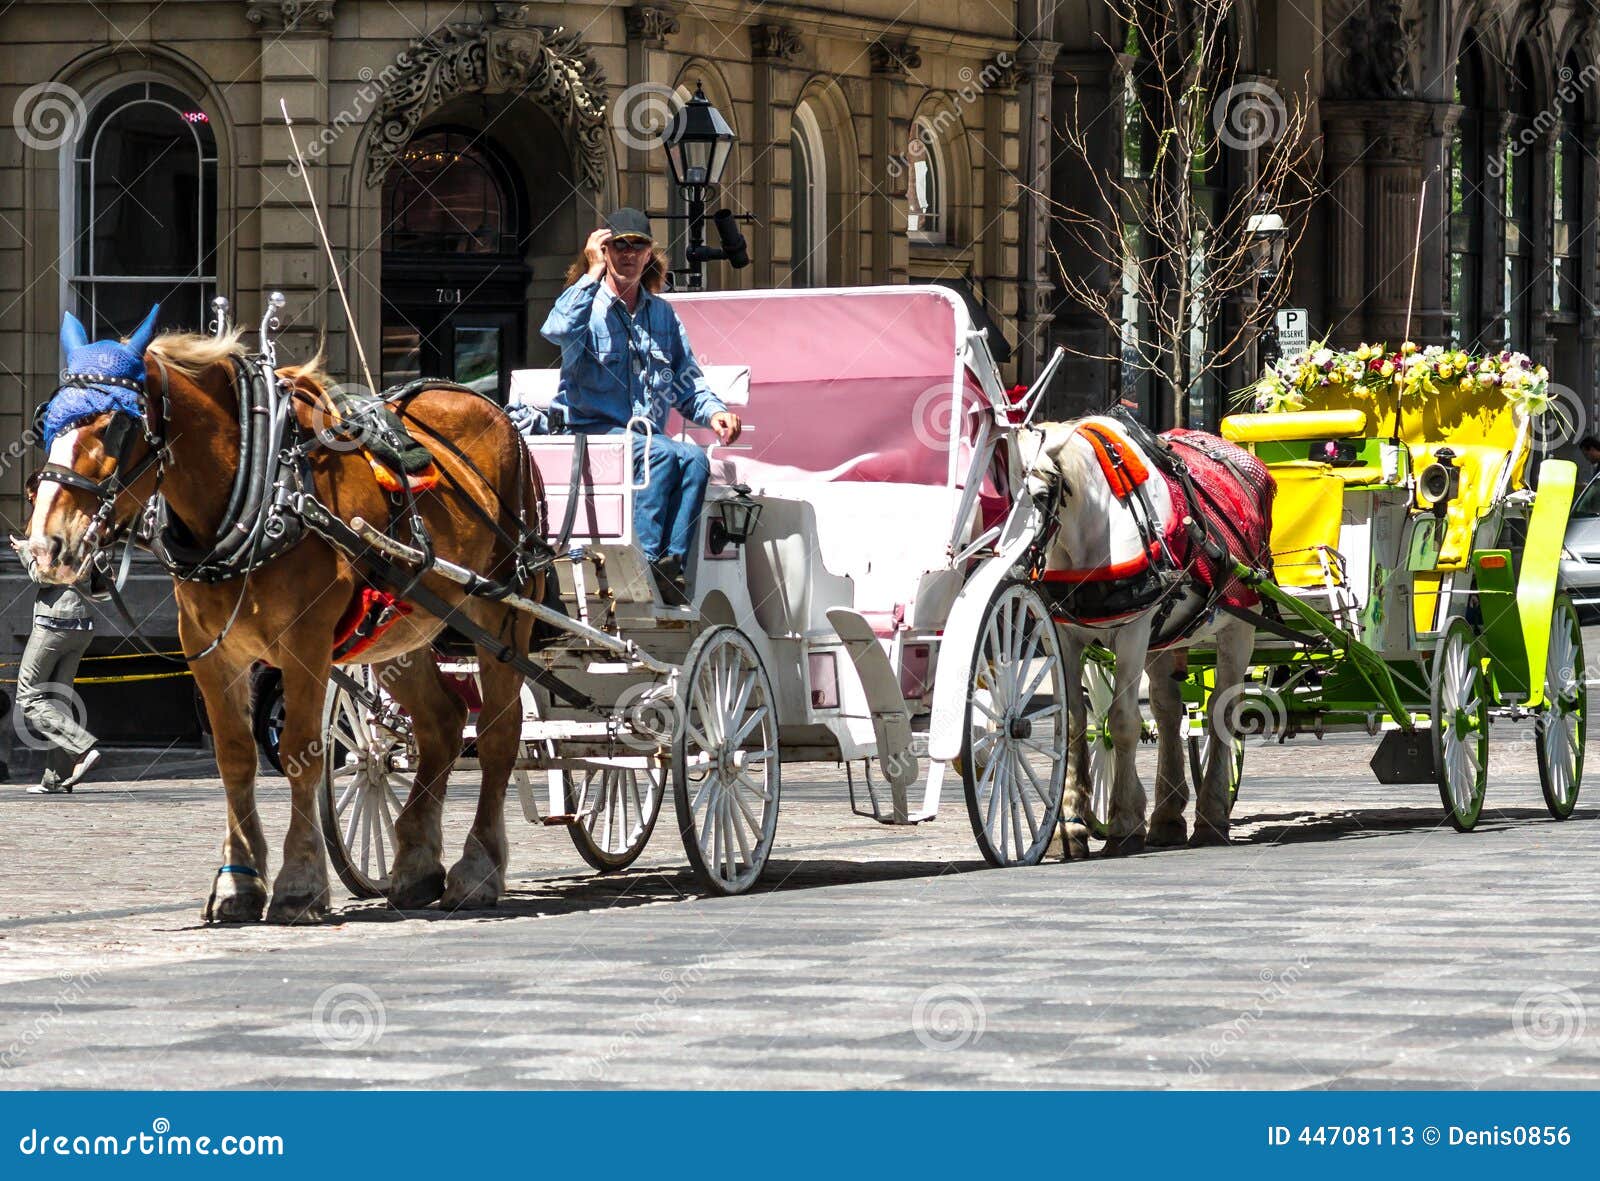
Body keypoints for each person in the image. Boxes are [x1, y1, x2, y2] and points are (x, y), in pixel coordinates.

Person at [536, 208, 741, 604]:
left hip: (639, 440)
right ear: (604, 250)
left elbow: (687, 382)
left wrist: (714, 411)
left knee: (694, 459)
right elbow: (555, 329)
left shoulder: (662, 314)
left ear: (649, 253)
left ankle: (671, 568)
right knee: (662, 453)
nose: (628, 254)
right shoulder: (586, 307)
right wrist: (592, 272)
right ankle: (642, 567)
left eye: (638, 245)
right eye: (619, 245)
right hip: (590, 435)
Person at [9, 537, 100, 794]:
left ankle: (82, 748)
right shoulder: (88, 528)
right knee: (59, 698)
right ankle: (55, 779)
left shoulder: (55, 529)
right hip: (83, 623)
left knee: (28, 696)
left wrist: (26, 551)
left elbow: (43, 576)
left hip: (54, 622)